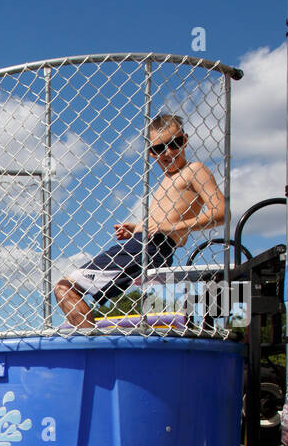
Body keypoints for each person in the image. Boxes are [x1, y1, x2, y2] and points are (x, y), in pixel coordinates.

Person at [54, 114, 226, 328]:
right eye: (159, 148)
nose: (168, 153)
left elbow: (220, 212)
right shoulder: (167, 180)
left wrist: (171, 227)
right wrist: (137, 228)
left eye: (175, 143)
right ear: (151, 153)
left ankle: (92, 350)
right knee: (66, 288)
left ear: (185, 140)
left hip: (151, 248)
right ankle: (91, 344)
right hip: (142, 244)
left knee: (64, 287)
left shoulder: (194, 170)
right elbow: (166, 217)